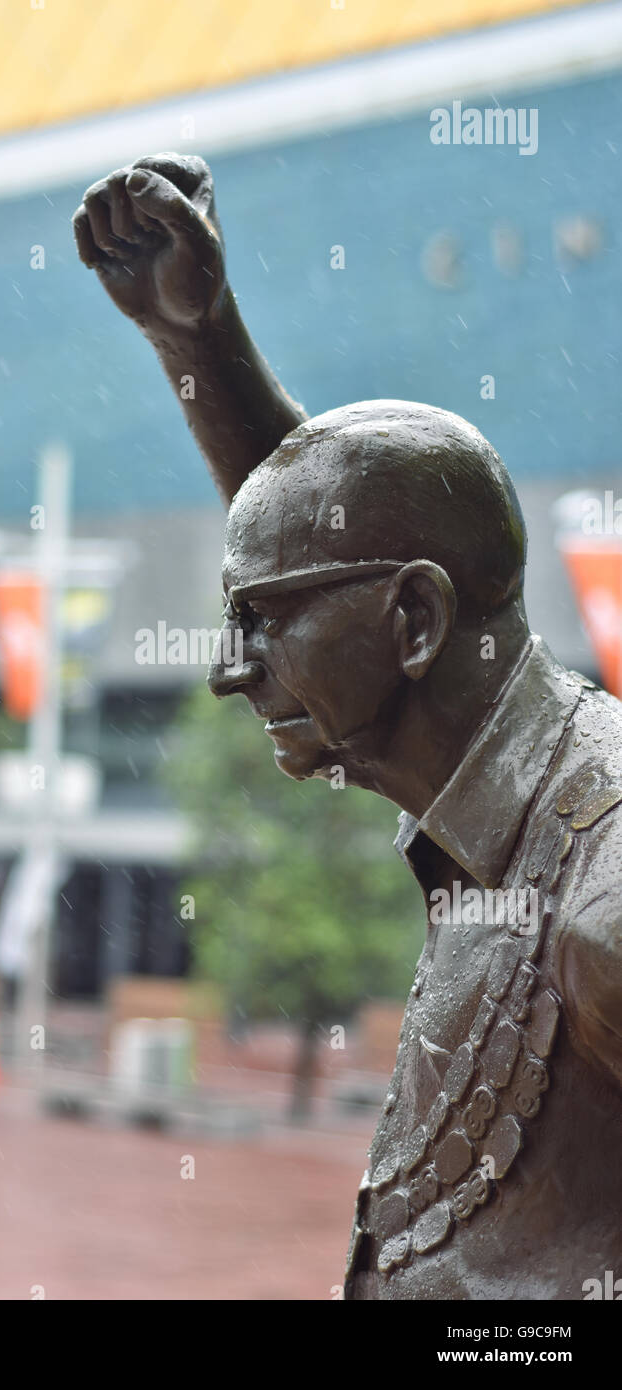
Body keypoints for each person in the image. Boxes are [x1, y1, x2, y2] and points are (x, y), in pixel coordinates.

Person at [74, 154, 622, 1300]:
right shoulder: (499, 795)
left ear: (415, 620)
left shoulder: (599, 905)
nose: (229, 673)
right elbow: (323, 533)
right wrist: (197, 338)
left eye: (259, 625)